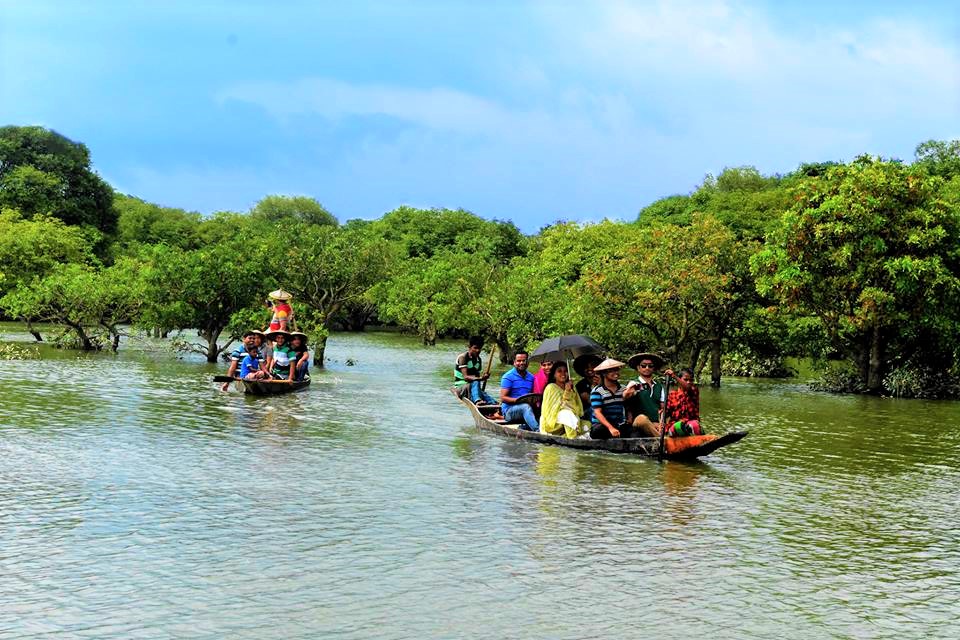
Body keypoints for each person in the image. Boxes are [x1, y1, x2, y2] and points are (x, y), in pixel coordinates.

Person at [540, 362, 590, 439]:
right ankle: (572, 438)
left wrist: (570, 390)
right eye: (559, 371)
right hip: (552, 423)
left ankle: (566, 436)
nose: (563, 373)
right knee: (566, 414)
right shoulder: (550, 387)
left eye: (565, 371)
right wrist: (566, 392)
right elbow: (559, 408)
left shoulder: (571, 387)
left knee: (587, 424)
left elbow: (576, 406)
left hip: (570, 419)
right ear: (554, 375)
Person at [589, 358, 635, 440]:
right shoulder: (597, 391)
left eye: (616, 370)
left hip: (618, 423)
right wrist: (610, 428)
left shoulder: (623, 389)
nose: (616, 373)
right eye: (611, 371)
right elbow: (597, 413)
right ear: (603, 373)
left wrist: (629, 419)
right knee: (599, 430)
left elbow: (628, 407)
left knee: (634, 431)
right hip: (601, 425)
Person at [623, 352, 666, 437]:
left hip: (656, 423)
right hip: (639, 422)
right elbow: (625, 396)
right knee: (642, 419)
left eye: (650, 366)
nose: (647, 368)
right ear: (638, 368)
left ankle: (659, 435)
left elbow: (662, 408)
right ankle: (661, 440)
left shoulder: (659, 386)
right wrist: (636, 388)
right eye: (643, 366)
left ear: (654, 368)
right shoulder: (634, 383)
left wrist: (661, 423)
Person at [499, 351, 539, 431]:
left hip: (526, 408)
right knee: (525, 407)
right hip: (509, 411)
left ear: (527, 362)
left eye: (524, 360)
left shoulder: (531, 377)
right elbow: (503, 398)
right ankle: (538, 431)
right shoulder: (508, 377)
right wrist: (518, 400)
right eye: (519, 361)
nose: (521, 363)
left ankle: (526, 427)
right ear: (514, 362)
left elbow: (531, 395)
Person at [454, 336, 495, 405]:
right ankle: (477, 400)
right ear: (469, 347)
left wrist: (484, 377)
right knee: (476, 381)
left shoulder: (478, 360)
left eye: (479, 348)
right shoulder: (463, 358)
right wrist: (480, 378)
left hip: (472, 387)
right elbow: (466, 377)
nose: (478, 350)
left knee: (483, 393)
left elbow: (477, 376)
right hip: (461, 387)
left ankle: (494, 404)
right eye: (475, 348)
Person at [664, 368, 703, 436]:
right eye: (685, 379)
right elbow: (666, 413)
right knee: (679, 426)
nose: (688, 382)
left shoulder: (694, 390)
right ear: (680, 380)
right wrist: (662, 419)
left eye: (691, 380)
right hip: (676, 425)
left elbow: (687, 387)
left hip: (690, 423)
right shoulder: (672, 395)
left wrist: (674, 376)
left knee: (694, 425)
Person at [573, 354, 602, 419]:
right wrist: (596, 386)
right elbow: (591, 401)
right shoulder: (581, 385)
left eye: (592, 366)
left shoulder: (604, 380)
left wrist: (602, 384)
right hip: (588, 412)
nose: (589, 369)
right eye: (586, 367)